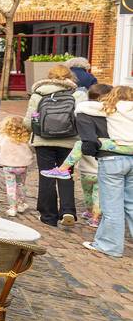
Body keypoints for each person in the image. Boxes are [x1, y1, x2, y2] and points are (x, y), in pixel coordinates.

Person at [40, 84, 133, 226]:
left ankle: (63, 169)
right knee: (128, 201)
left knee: (80, 144)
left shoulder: (113, 109)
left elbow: (89, 108)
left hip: (118, 147)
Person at [27, 64, 83, 227]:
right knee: (65, 174)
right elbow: (80, 119)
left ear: (49, 76)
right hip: (68, 141)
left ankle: (48, 216)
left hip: (43, 141)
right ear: (70, 77)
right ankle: (68, 210)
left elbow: (28, 121)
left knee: (46, 177)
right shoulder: (77, 94)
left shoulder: (38, 93)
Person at [83, 85, 133, 257]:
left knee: (112, 205)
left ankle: (110, 245)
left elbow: (84, 107)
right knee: (131, 204)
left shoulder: (111, 109)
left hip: (113, 158)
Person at [0, 116, 35, 217]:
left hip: (8, 166)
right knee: (21, 185)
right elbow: (33, 150)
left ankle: (12, 208)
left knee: (11, 186)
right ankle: (21, 204)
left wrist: (1, 157)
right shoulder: (26, 138)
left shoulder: (2, 137)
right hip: (22, 166)